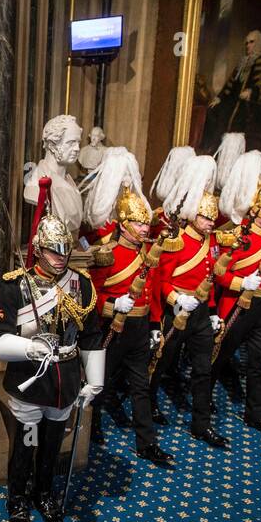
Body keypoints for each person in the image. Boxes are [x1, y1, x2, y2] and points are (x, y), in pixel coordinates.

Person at [0, 177, 103, 522]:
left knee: (53, 446)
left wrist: (95, 377)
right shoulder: (15, 285)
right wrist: (29, 347)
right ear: (38, 249)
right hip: (31, 382)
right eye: (53, 251)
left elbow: (91, 334)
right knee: (26, 445)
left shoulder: (81, 284)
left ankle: (44, 495)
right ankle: (18, 500)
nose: (60, 258)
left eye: (64, 251)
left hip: (65, 382)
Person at [85, 148, 173, 466]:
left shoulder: (149, 252)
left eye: (145, 223)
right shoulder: (106, 253)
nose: (144, 229)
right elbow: (92, 297)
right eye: (137, 224)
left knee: (141, 386)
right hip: (113, 327)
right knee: (99, 382)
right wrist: (111, 305)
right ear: (123, 225)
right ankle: (88, 432)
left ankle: (146, 442)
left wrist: (153, 325)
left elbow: (154, 291)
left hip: (138, 327)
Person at [148, 155, 229, 447]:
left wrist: (214, 311)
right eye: (205, 217)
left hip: (201, 315)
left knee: (203, 369)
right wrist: (176, 299)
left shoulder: (213, 242)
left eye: (211, 218)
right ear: (194, 214)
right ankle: (150, 404)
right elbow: (161, 281)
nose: (209, 223)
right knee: (162, 362)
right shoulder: (176, 240)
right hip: (176, 312)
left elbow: (212, 279)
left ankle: (201, 424)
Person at [211, 150, 261, 439]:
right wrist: (241, 284)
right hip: (237, 304)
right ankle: (202, 406)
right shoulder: (237, 236)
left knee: (258, 362)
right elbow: (219, 273)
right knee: (219, 357)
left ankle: (255, 415)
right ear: (255, 210)